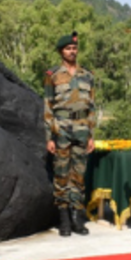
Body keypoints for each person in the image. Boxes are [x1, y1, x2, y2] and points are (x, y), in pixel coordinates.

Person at [44, 32, 97, 237]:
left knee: (79, 175)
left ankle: (77, 218)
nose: (72, 51)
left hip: (82, 128)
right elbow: (48, 106)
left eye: (74, 48)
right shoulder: (53, 75)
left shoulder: (87, 75)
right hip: (61, 128)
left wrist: (91, 134)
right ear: (61, 52)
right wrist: (49, 136)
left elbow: (92, 107)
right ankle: (64, 219)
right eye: (68, 49)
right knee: (61, 174)